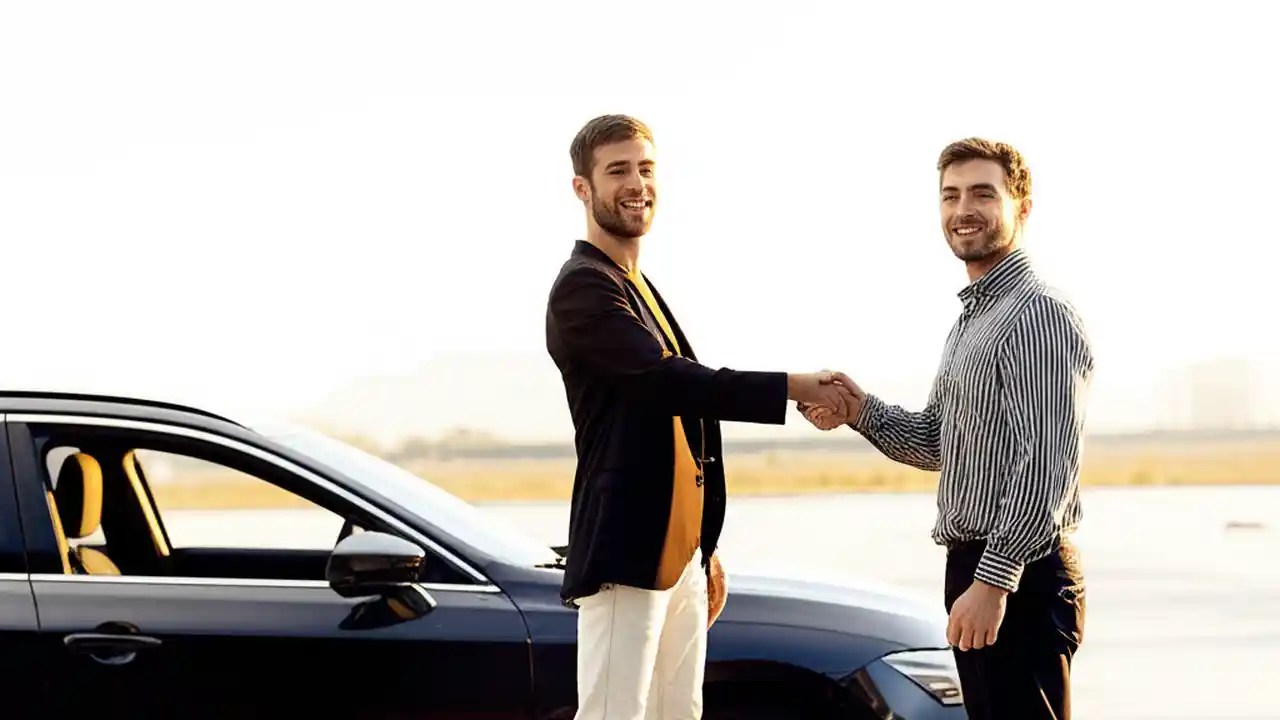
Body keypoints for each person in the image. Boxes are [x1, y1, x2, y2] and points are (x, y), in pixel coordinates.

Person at [545, 114, 854, 720]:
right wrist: (792, 386)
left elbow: (680, 434)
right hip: (626, 557)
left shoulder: (634, 284)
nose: (637, 184)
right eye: (618, 171)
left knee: (681, 712)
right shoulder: (584, 289)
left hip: (678, 556)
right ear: (583, 188)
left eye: (646, 168)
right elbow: (670, 383)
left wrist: (700, 549)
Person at [800, 137, 1094, 720]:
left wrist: (995, 581)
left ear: (1022, 207)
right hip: (978, 567)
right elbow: (939, 441)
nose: (963, 210)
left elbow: (1046, 464)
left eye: (983, 194)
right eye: (950, 195)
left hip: (1020, 575)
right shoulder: (974, 319)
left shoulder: (1037, 314)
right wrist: (860, 411)